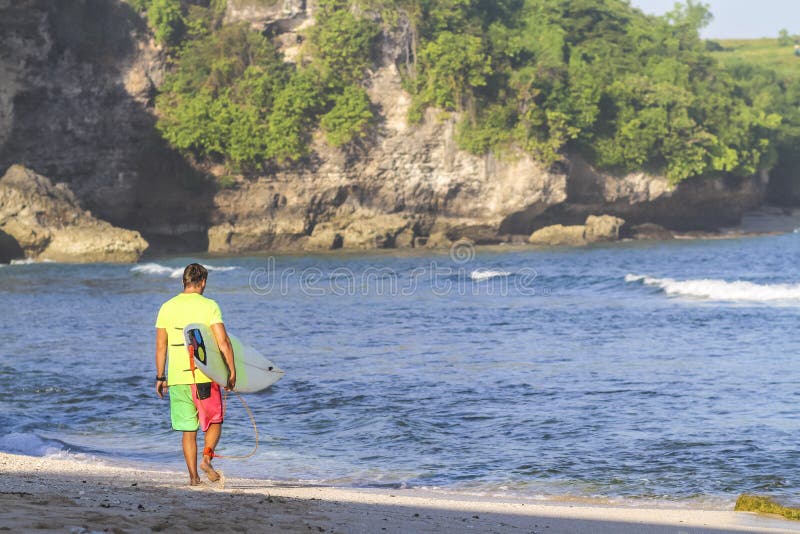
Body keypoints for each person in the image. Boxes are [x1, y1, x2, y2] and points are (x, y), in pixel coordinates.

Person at [154, 263, 236, 485]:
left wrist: (160, 377)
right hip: (204, 377)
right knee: (214, 422)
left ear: (184, 281)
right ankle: (207, 458)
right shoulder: (209, 306)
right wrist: (231, 371)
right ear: (203, 282)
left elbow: (161, 346)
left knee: (188, 431)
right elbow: (223, 342)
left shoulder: (166, 307)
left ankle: (193, 479)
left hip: (177, 379)